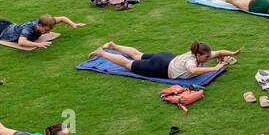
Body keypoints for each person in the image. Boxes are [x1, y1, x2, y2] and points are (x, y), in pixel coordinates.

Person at [90, 40, 240, 79]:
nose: (209, 58)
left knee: (137, 55)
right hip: (160, 67)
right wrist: (213, 69)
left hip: (166, 57)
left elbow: (219, 52)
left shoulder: (198, 52)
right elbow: (193, 70)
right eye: (206, 57)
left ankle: (113, 45)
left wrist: (233, 53)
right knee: (129, 63)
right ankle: (102, 53)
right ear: (198, 55)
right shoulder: (191, 61)